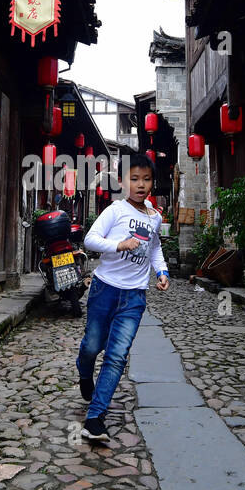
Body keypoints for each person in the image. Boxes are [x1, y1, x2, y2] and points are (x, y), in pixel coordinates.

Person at [75, 153, 170, 442]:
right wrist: (120, 244)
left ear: (152, 182)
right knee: (92, 347)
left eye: (146, 179)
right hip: (105, 289)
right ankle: (84, 372)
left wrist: (162, 271)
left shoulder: (155, 217)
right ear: (123, 182)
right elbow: (90, 240)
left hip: (134, 297)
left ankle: (95, 417)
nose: (141, 185)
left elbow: (154, 249)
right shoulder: (115, 211)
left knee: (117, 356)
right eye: (134, 179)